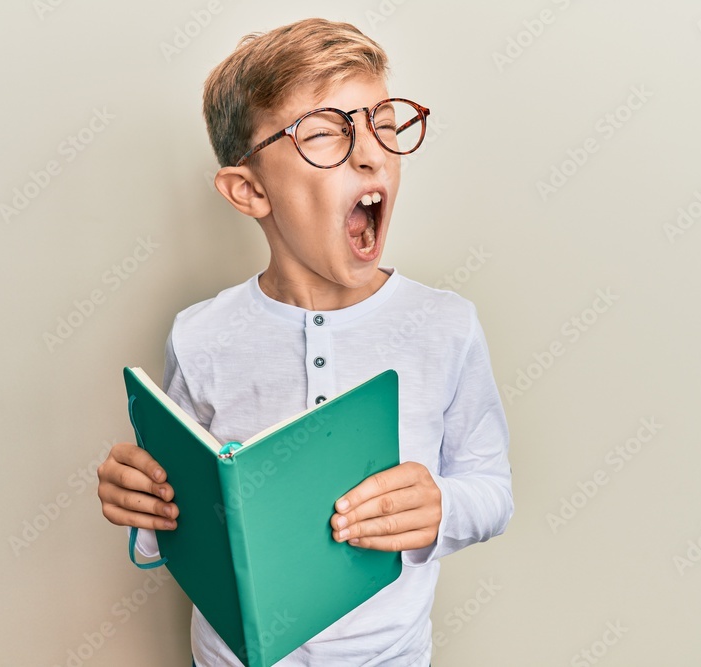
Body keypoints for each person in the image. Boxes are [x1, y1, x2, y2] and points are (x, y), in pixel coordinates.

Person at [97, 17, 513, 666]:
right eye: (324, 132)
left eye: (383, 123)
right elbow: (177, 519)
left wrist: (443, 505)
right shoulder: (201, 334)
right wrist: (144, 504)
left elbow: (491, 485)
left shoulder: (446, 325)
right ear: (250, 190)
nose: (372, 152)